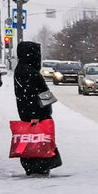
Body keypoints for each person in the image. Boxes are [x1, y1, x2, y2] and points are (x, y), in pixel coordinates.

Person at [13, 40, 63, 174]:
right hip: (36, 113)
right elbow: (31, 95)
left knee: (33, 139)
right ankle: (38, 165)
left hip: (30, 111)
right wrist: (34, 115)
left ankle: (34, 164)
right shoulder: (28, 71)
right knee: (38, 139)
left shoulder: (23, 68)